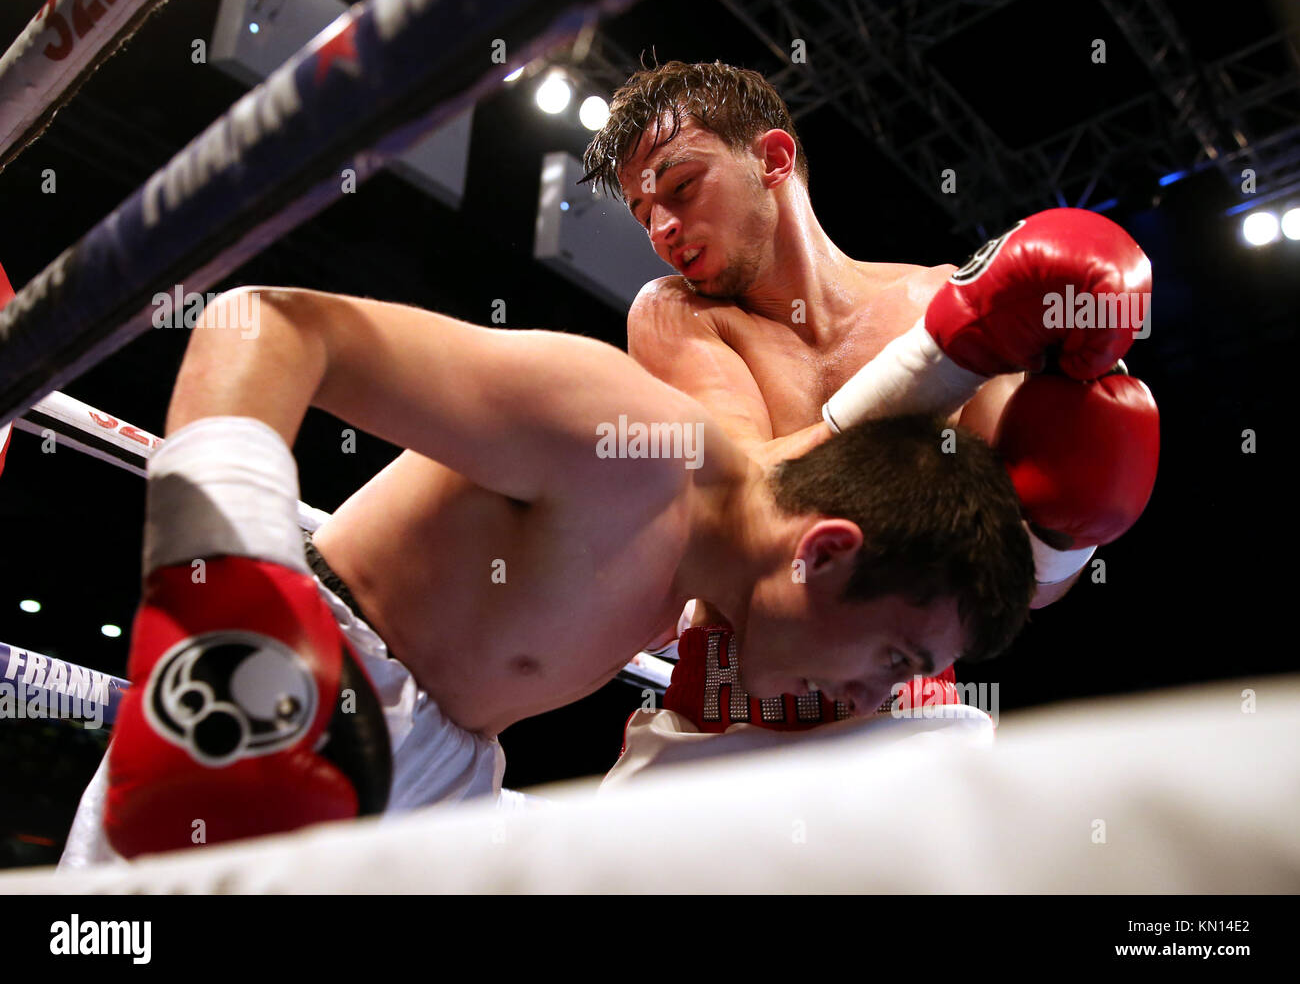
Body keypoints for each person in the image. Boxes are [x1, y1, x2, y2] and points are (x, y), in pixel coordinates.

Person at [81, 233, 1138, 855]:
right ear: (820, 555)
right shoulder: (613, 441)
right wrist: (220, 600)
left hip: (449, 780)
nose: (870, 694)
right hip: (303, 678)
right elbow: (268, 322)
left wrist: (977, 342)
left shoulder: (772, 508)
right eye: (893, 659)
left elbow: (880, 441)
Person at [579, 62, 1159, 748]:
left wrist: (1070, 531)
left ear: (773, 158)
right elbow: (738, 502)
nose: (663, 229)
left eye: (680, 188)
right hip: (723, 708)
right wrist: (936, 362)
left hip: (905, 708)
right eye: (646, 214)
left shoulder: (944, 303)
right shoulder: (678, 314)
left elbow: (1021, 586)